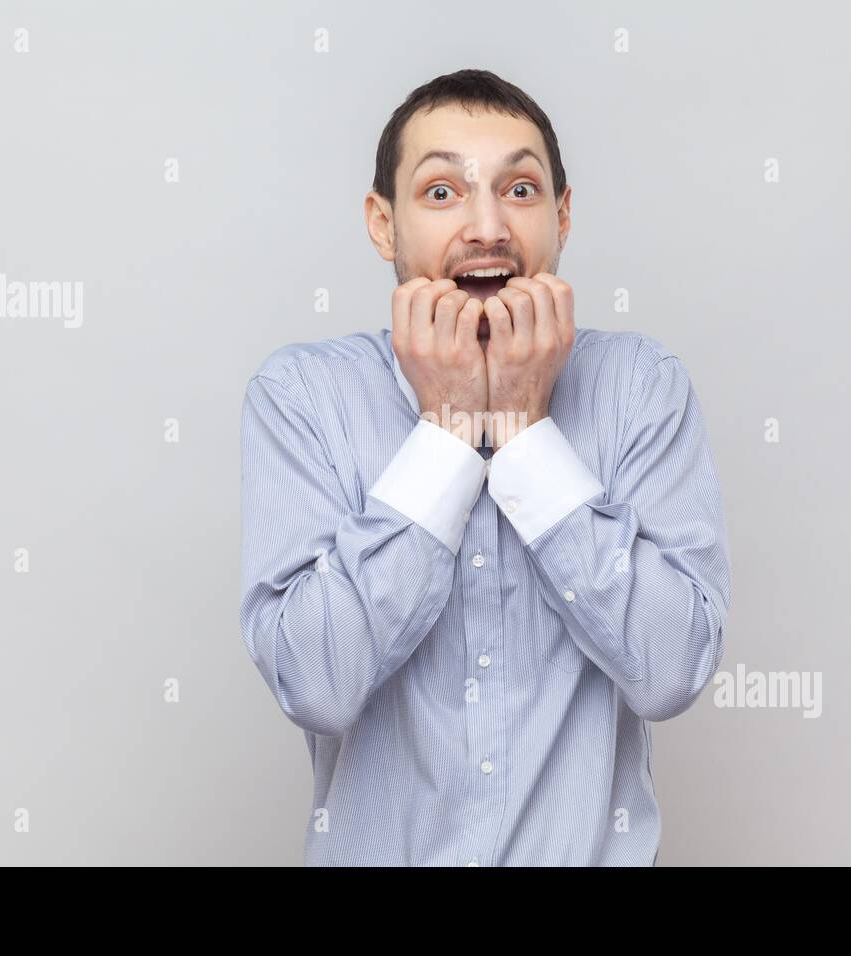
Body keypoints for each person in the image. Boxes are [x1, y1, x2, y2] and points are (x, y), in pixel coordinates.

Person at [240, 68, 730, 866]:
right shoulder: (302, 397)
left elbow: (670, 673)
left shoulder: (642, 386)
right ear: (382, 224)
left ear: (562, 216)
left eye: (522, 189)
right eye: (441, 193)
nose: (487, 227)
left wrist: (527, 431)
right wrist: (447, 430)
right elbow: (318, 686)